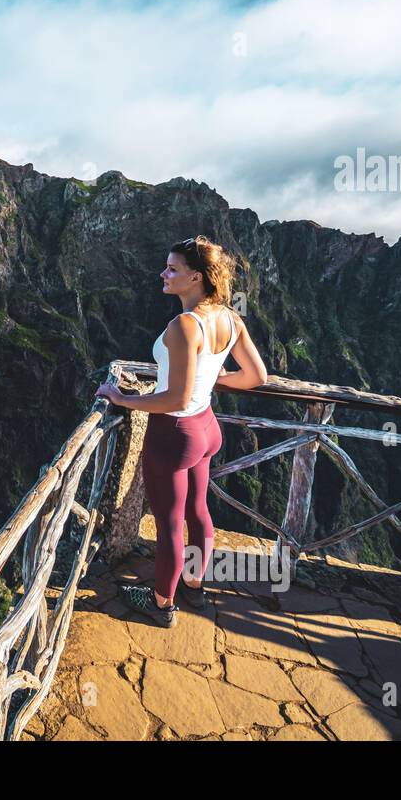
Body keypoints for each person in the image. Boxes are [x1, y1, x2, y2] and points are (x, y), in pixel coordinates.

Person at [95, 236, 269, 627]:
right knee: (199, 511)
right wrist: (214, 380)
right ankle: (194, 584)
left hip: (174, 433)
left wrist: (124, 400)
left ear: (195, 277)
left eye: (172, 269)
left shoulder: (182, 327)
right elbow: (257, 376)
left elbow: (174, 398)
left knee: (170, 523)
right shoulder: (228, 318)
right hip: (207, 427)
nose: (163, 273)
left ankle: (162, 604)